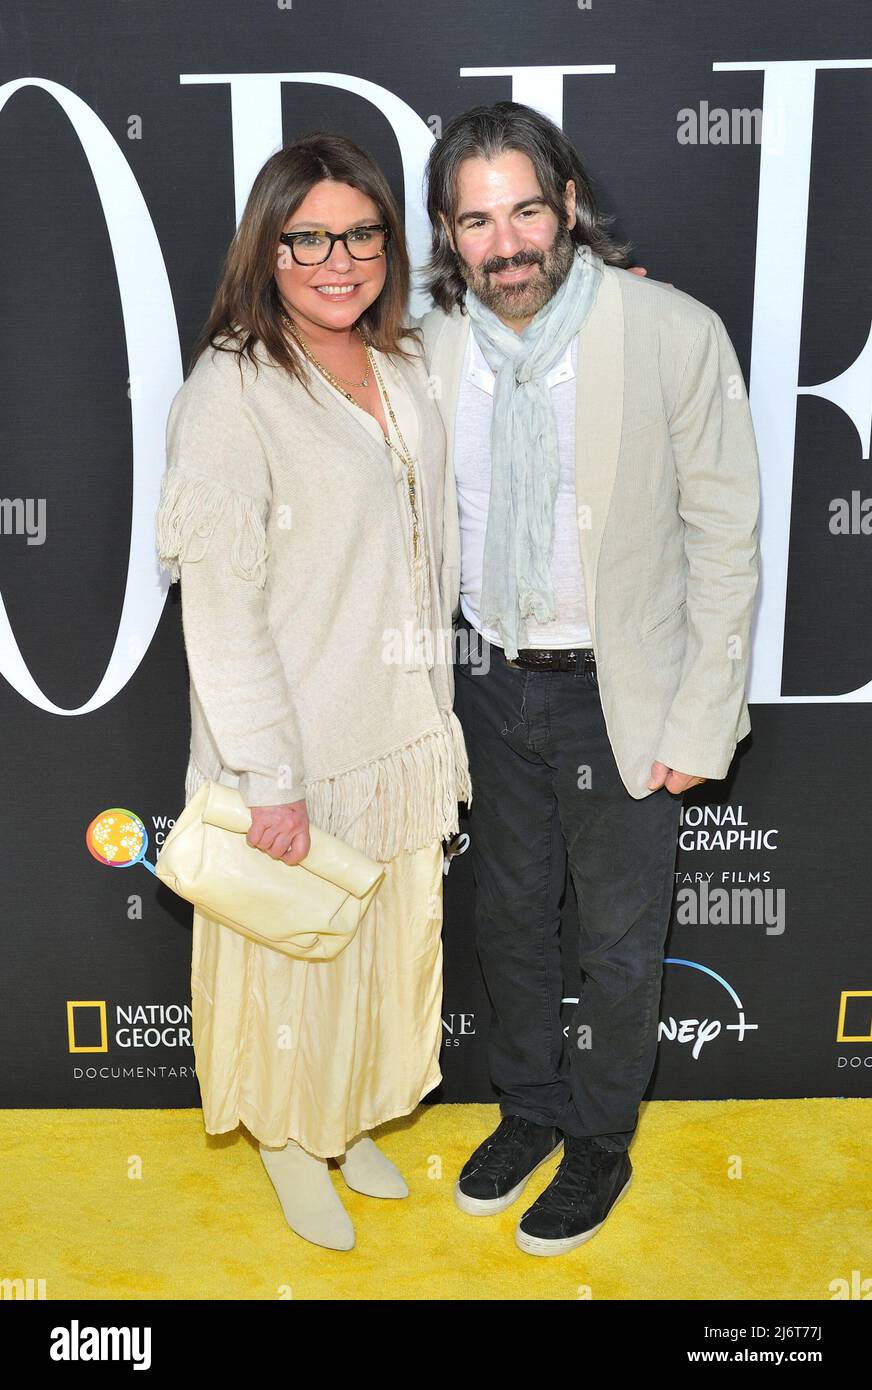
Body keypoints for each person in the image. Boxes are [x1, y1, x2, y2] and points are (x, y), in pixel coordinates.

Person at [418, 101, 761, 1256]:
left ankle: (600, 1133)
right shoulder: (424, 349)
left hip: (622, 690)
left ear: (566, 205)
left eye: (525, 208)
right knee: (508, 921)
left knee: (617, 940)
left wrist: (701, 716)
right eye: (477, 220)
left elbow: (725, 537)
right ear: (446, 233)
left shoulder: (666, 330)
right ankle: (530, 1107)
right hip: (486, 680)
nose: (506, 242)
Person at [154, 133, 470, 1253]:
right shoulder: (233, 389)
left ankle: (342, 1118)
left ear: (391, 242)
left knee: (378, 947)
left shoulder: (403, 366)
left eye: (363, 234)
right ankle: (288, 1138)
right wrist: (267, 777)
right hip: (295, 745)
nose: (339, 260)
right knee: (290, 954)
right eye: (310, 237)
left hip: (402, 733)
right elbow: (222, 610)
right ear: (268, 245)